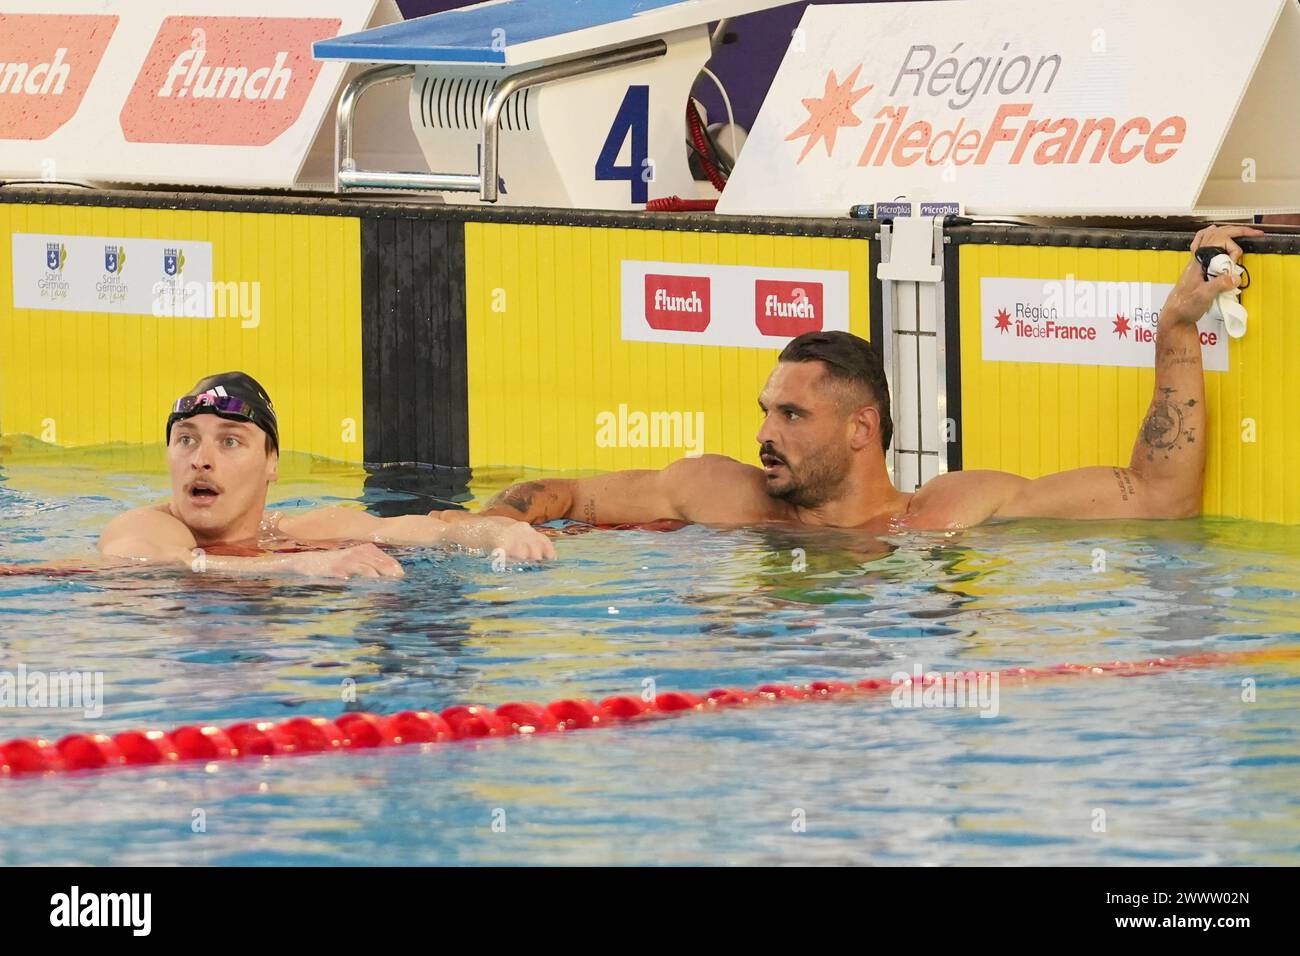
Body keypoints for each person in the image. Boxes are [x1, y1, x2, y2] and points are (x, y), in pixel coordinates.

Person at [465, 225, 1258, 532]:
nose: (764, 434)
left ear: (859, 429)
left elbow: (1158, 497)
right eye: (766, 413)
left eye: (790, 416)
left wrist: (1177, 329)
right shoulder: (718, 493)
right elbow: (561, 493)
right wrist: (493, 524)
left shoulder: (943, 514)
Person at [97, 372, 555, 579]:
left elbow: (435, 534)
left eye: (230, 441)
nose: (201, 459)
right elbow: (159, 563)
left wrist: (502, 531)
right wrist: (296, 566)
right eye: (187, 440)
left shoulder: (303, 530)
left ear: (272, 463)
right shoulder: (147, 526)